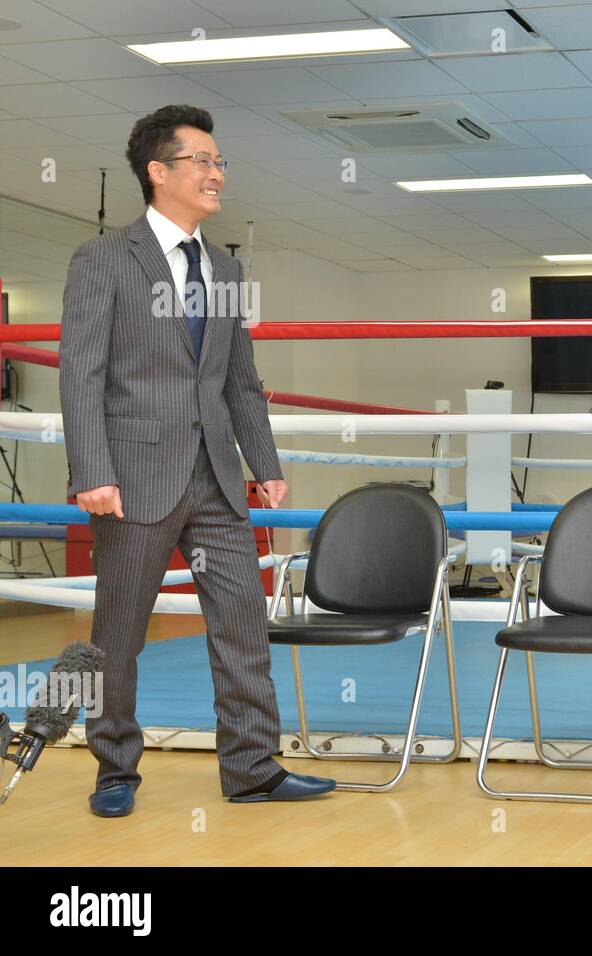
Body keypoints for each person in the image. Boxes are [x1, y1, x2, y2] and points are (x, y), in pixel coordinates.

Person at [59, 104, 335, 817]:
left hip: (215, 476)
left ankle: (252, 766)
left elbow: (239, 378)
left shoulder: (225, 265)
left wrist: (264, 462)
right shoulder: (102, 258)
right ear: (159, 172)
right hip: (133, 480)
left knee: (242, 625)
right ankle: (113, 770)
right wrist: (91, 469)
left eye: (220, 163)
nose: (217, 174)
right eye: (203, 162)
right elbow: (80, 373)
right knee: (117, 636)